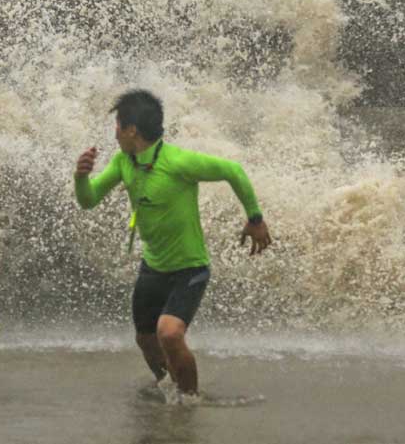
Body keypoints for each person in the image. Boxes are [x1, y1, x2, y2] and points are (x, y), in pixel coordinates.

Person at [74, 89, 272, 397]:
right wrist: (81, 176)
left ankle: (190, 400)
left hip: (189, 268)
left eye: (117, 125)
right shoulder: (123, 162)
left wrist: (255, 219)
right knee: (146, 340)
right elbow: (88, 200)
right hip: (153, 267)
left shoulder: (178, 162)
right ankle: (171, 388)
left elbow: (233, 171)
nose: (114, 132)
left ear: (131, 131)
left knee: (169, 333)